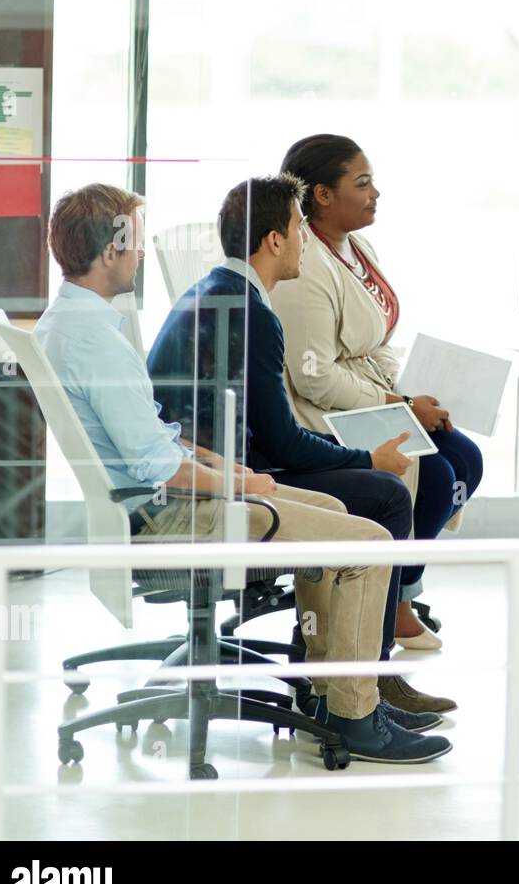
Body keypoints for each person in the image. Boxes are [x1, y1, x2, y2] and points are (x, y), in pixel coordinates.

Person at [36, 182, 450, 764]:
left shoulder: (70, 322)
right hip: (171, 515)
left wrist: (226, 467)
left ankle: (327, 691)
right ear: (110, 251)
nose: (142, 255)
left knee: (336, 514)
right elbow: (157, 463)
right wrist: (242, 483)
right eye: (133, 245)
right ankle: (355, 716)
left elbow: (154, 436)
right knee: (371, 542)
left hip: (149, 503)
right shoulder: (95, 339)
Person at [146, 174, 456, 716]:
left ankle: (332, 666)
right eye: (297, 231)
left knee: (372, 482)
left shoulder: (215, 290)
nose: (304, 243)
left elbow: (271, 432)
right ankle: (368, 680)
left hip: (207, 470)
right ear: (273, 241)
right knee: (384, 494)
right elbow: (284, 443)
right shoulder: (253, 312)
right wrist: (365, 457)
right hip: (223, 485)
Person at [274, 134, 484, 650]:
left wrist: (408, 393)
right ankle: (391, 604)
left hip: (374, 394)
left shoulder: (357, 247)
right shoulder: (305, 269)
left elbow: (380, 340)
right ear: (322, 195)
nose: (375, 193)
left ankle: (399, 592)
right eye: (361, 183)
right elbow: (314, 377)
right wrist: (398, 407)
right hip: (325, 415)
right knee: (432, 471)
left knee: (465, 456)